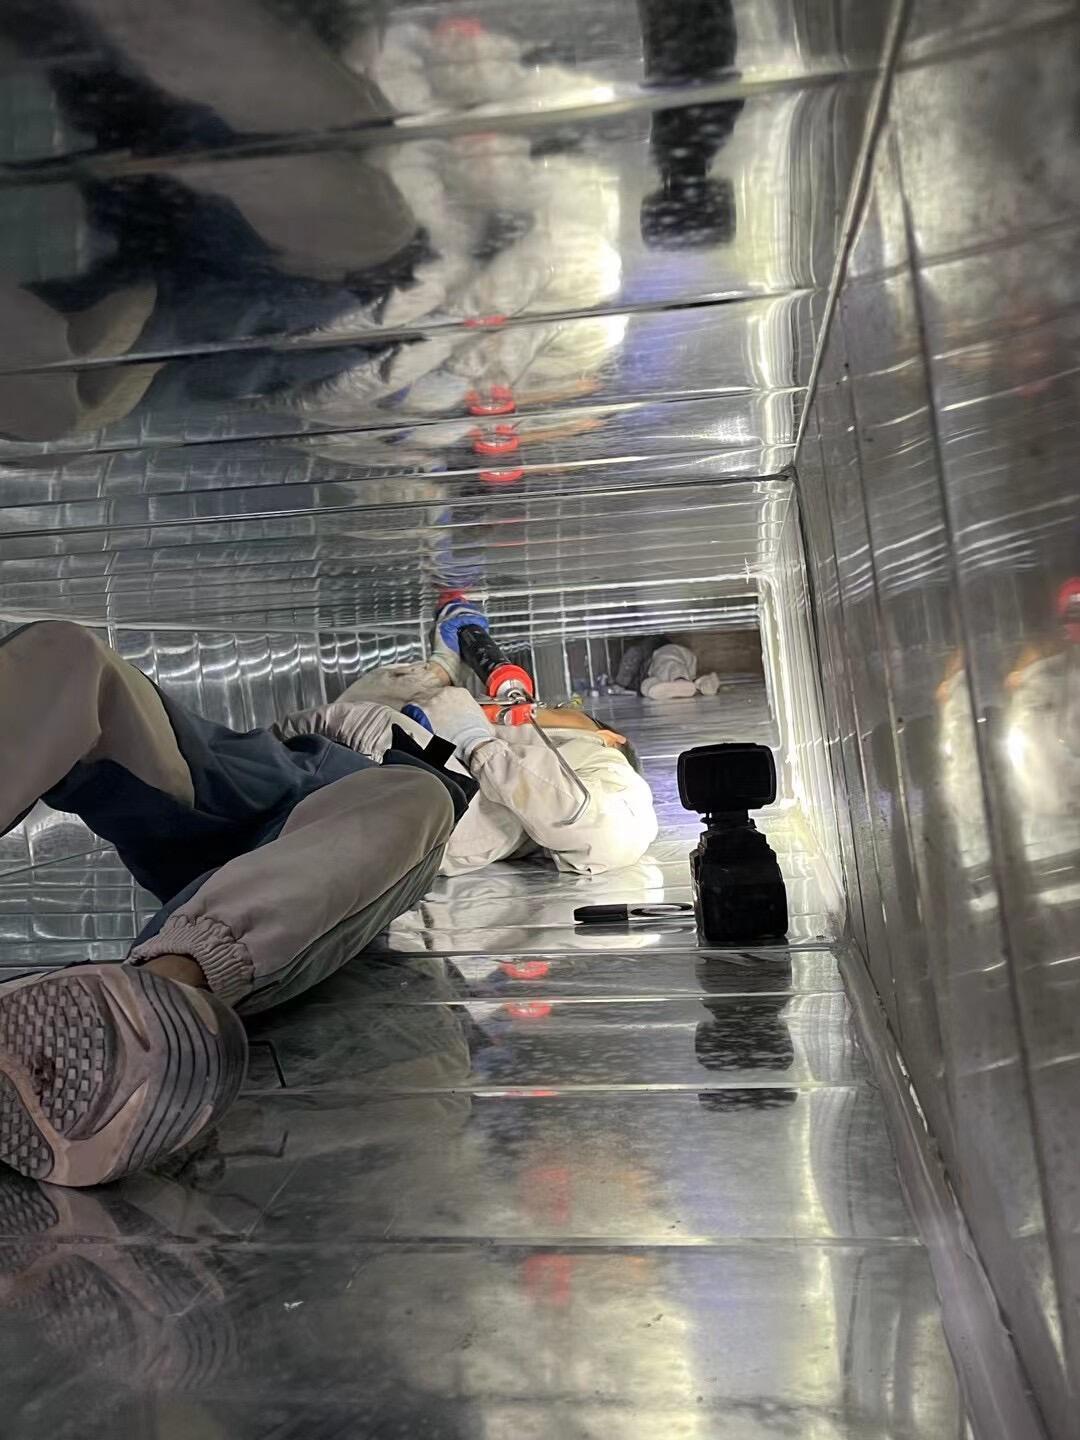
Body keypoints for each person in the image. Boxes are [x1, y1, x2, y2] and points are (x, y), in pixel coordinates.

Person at [0, 620, 476, 1188]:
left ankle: (145, 1009)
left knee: (422, 796)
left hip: (353, 824)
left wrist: (483, 737)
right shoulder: (406, 691)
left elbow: (552, 819)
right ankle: (129, 1017)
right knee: (68, 656)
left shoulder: (514, 754)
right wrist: (443, 673)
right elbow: (346, 709)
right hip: (266, 770)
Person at [281, 600, 659, 877]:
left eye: (560, 709)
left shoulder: (613, 769)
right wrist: (444, 672)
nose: (542, 709)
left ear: (610, 737)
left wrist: (477, 743)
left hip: (408, 809)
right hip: (381, 800)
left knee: (348, 730)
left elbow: (607, 833)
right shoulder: (522, 752)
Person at [639, 641, 721, 700]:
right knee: (651, 682)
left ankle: (683, 681)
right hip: (657, 664)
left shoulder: (665, 653)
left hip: (667, 651)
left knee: (669, 662)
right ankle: (704, 684)